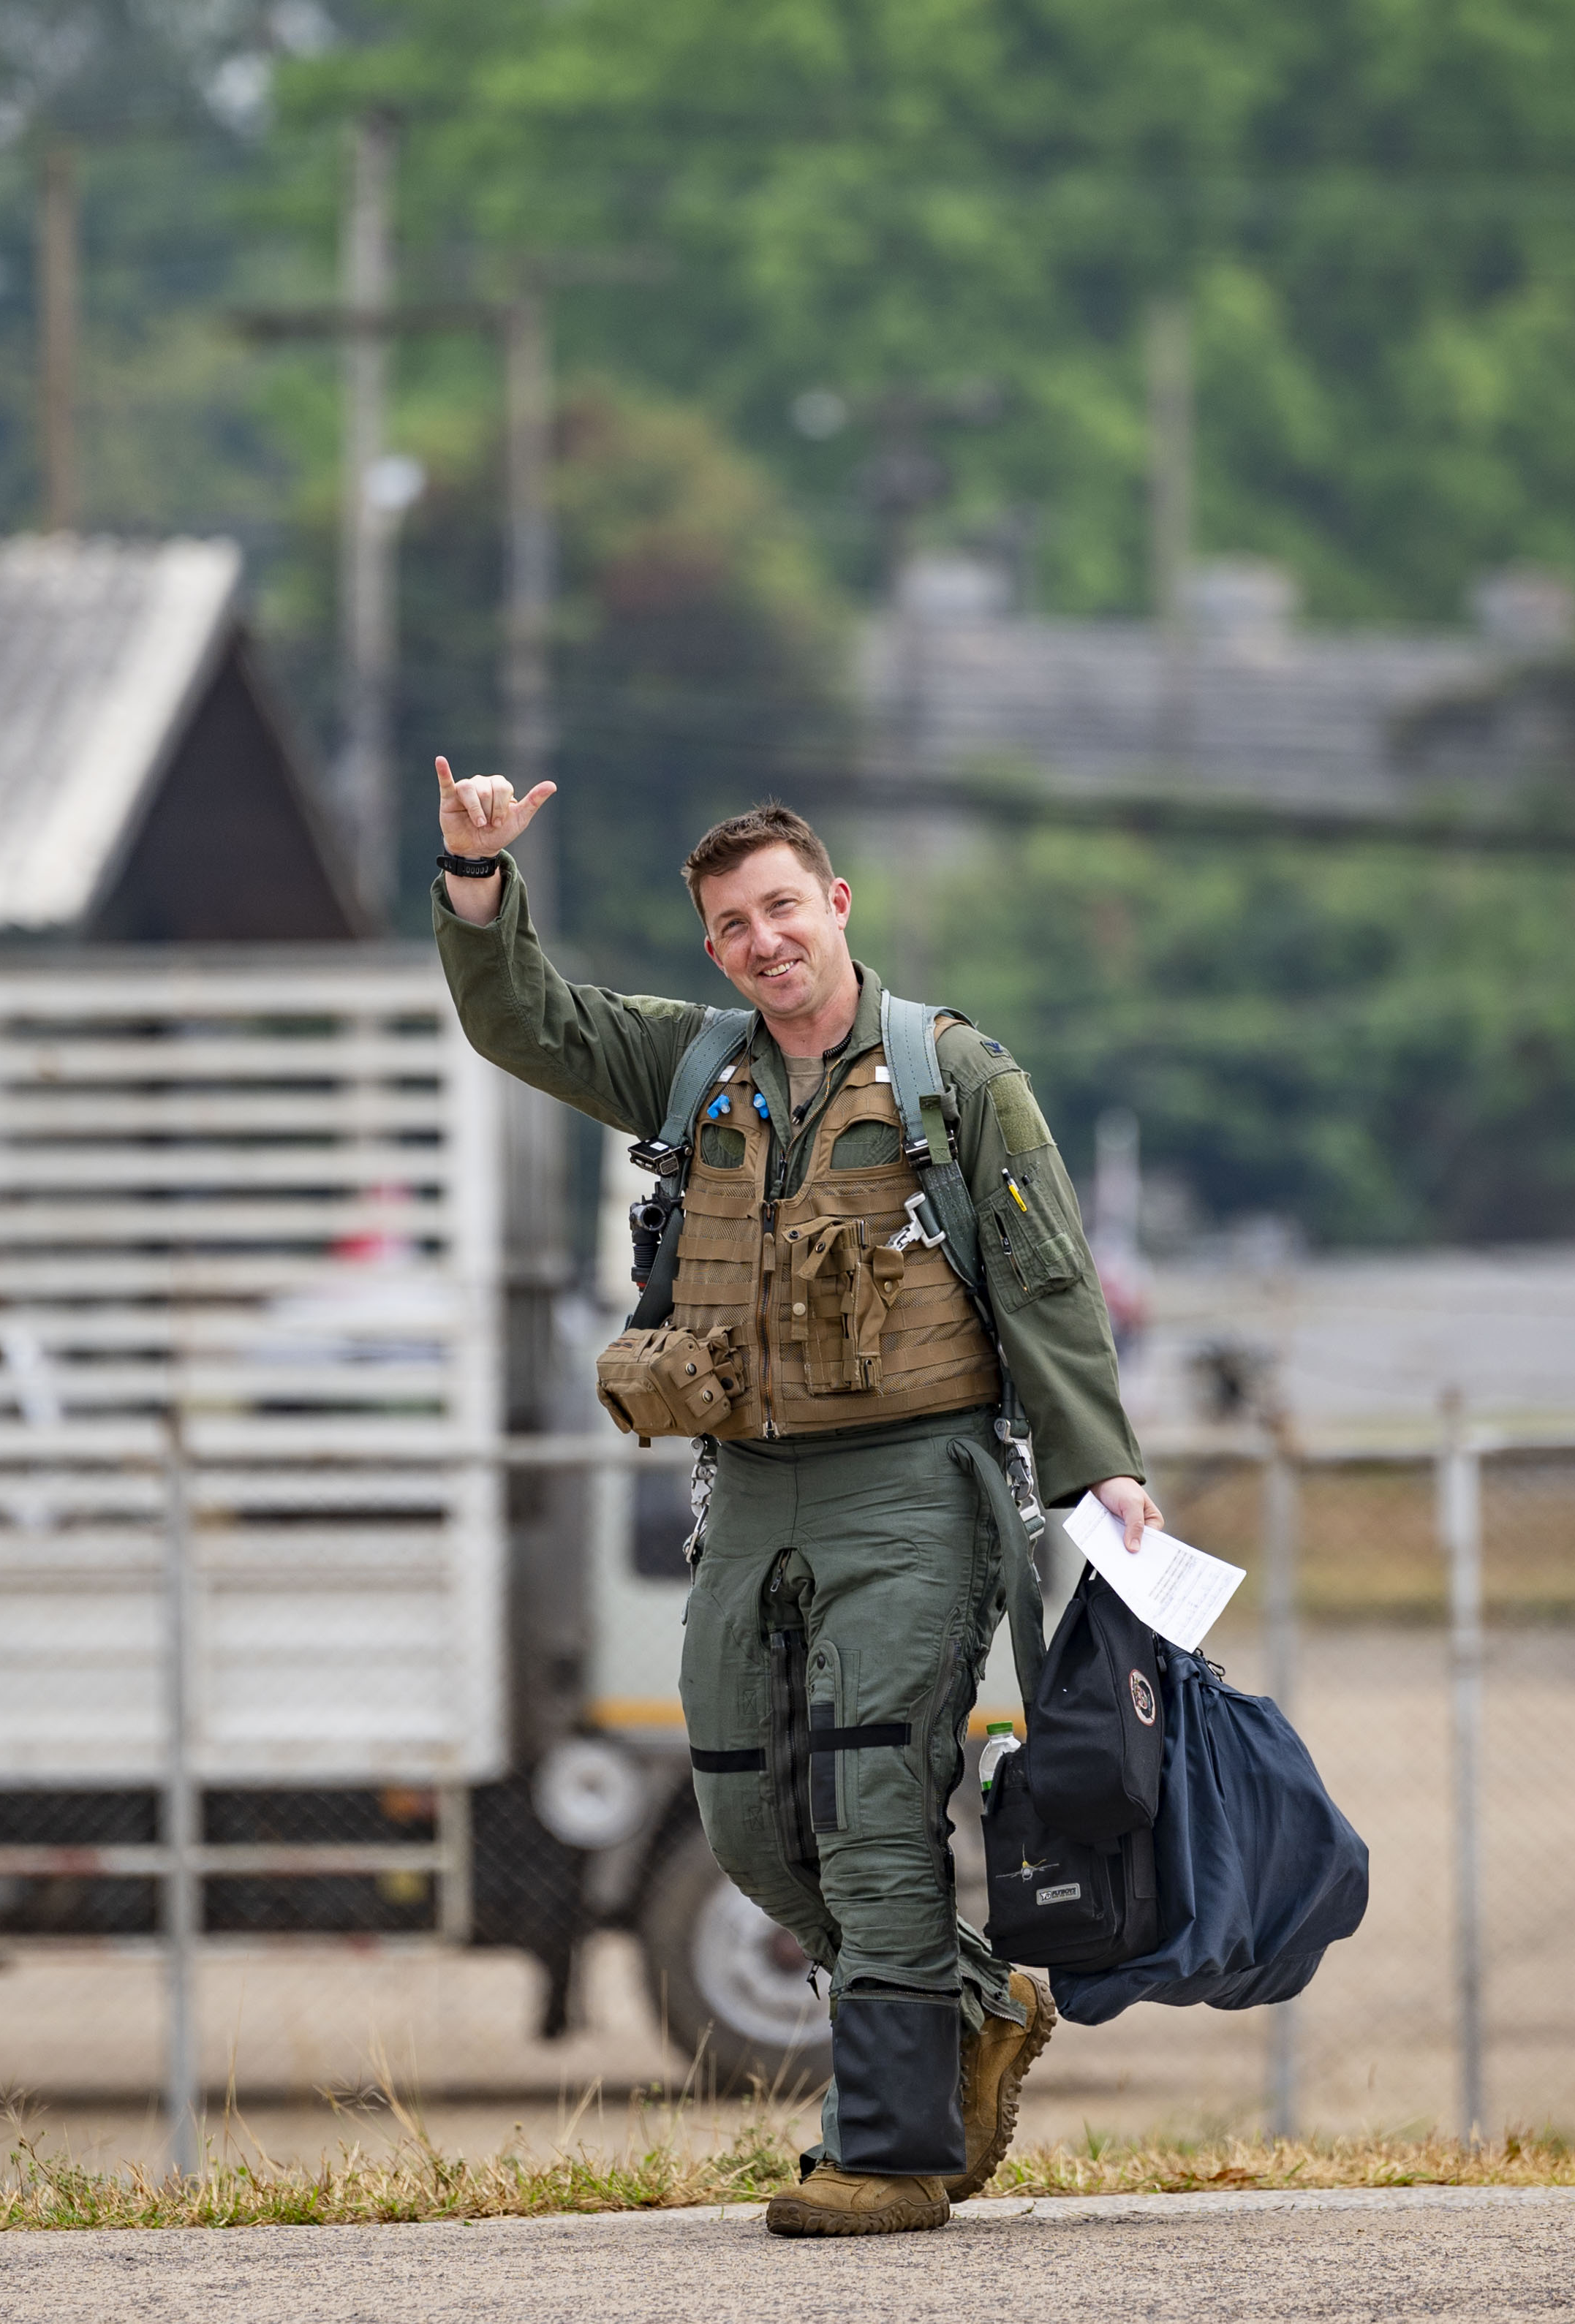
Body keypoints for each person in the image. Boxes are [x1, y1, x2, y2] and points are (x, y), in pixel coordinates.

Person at [429, 760, 1158, 2238]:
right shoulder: (692, 1068)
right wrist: (476, 879)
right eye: (732, 925)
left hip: (915, 1488)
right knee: (743, 1812)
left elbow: (1047, 1280)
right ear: (712, 947)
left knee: (876, 1798)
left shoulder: (958, 1077)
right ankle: (972, 2003)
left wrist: (1104, 1468)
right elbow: (525, 1022)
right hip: (750, 1489)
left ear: (836, 903)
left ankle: (887, 2151)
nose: (763, 941)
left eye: (782, 909)